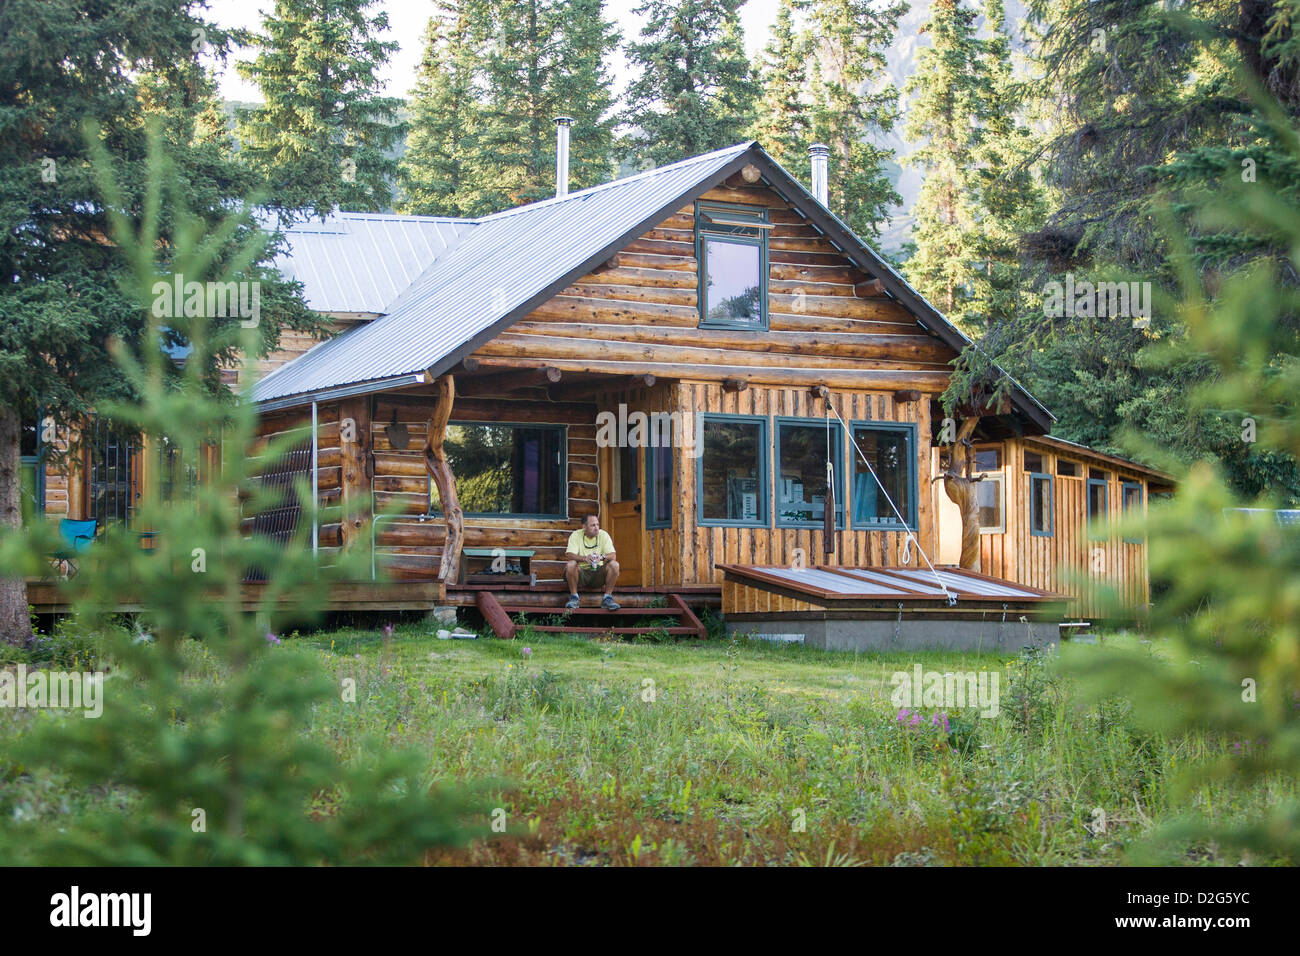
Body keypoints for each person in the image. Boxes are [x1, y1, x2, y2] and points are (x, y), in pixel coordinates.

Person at [564, 514, 620, 610]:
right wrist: (584, 558)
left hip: (598, 574)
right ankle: (574, 598)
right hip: (581, 575)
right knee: (571, 564)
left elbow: (613, 555)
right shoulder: (576, 535)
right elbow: (569, 555)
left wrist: (601, 557)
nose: (596, 528)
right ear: (584, 527)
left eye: (598, 525)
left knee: (615, 565)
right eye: (593, 525)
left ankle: (607, 598)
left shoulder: (603, 535)